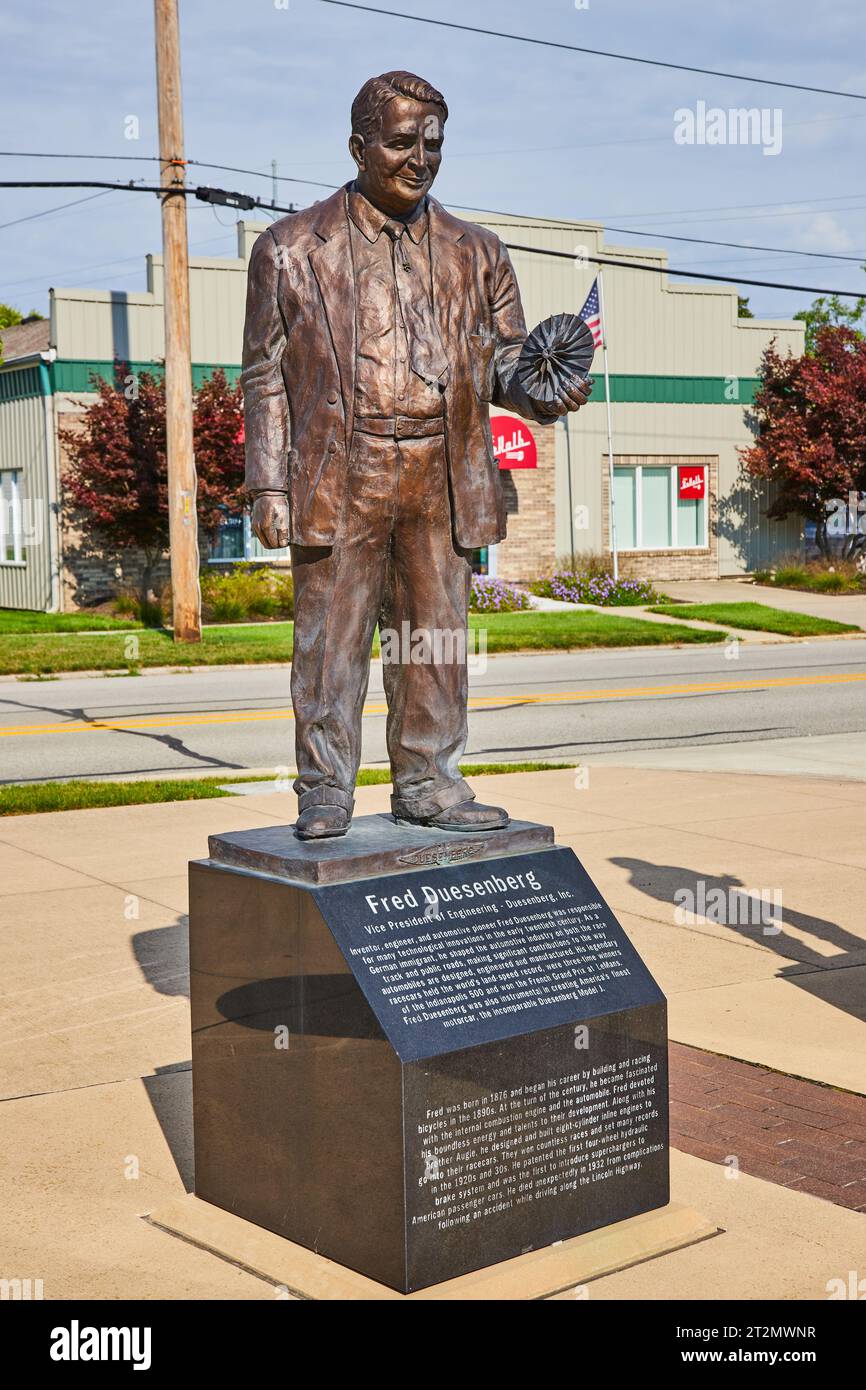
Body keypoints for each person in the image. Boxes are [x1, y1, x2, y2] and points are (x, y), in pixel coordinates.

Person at [241, 70, 591, 839]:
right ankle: (325, 788)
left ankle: (430, 783)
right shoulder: (290, 248)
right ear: (359, 146)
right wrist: (268, 483)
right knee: (330, 643)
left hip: (443, 469)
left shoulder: (480, 251)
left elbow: (502, 362)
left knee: (433, 638)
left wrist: (544, 382)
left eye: (433, 143)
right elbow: (263, 374)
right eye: (402, 142)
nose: (420, 157)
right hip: (343, 470)